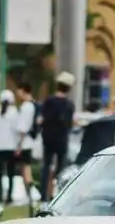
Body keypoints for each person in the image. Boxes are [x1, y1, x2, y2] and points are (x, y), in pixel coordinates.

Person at [40, 72, 76, 200]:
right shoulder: (69, 104)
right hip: (62, 139)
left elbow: (42, 119)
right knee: (61, 169)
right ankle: (59, 194)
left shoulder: (49, 101)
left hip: (48, 138)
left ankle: (43, 195)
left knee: (46, 166)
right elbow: (70, 124)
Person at [0, 90, 20, 205]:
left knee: (0, 173)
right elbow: (17, 131)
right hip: (10, 146)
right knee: (11, 173)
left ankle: (0, 196)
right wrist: (18, 145)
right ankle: (10, 196)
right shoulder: (14, 113)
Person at [15, 82, 38, 206]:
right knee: (26, 168)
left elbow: (22, 128)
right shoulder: (33, 105)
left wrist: (19, 145)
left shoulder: (26, 107)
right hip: (31, 141)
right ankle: (29, 195)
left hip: (26, 142)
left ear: (23, 90)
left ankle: (29, 196)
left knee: (26, 170)